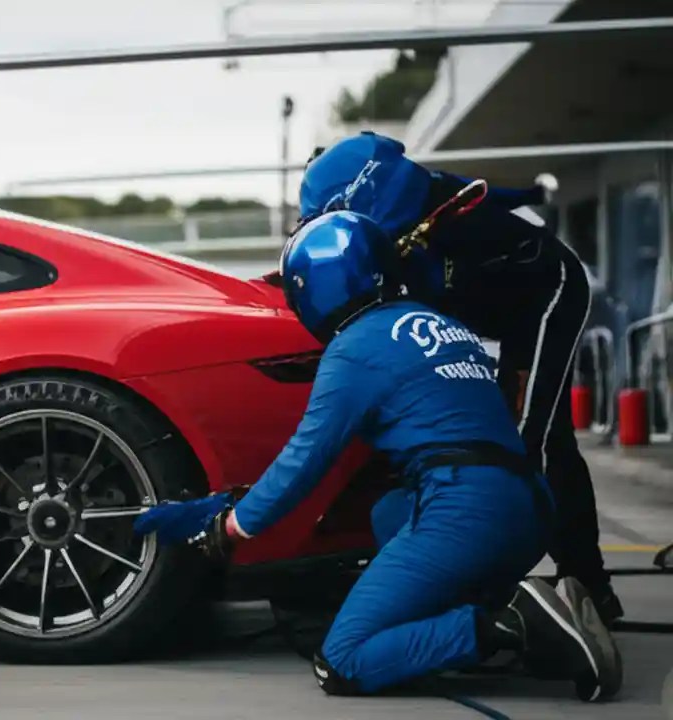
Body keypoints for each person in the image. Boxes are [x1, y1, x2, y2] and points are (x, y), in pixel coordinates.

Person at [135, 211, 621, 700]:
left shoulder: (353, 350)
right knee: (386, 513)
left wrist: (231, 527)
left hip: (466, 512)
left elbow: (303, 462)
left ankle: (511, 626)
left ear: (314, 287)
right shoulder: (438, 324)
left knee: (343, 660)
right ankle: (505, 605)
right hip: (529, 506)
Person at [296, 131, 621, 626]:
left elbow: (493, 195)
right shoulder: (398, 221)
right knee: (483, 437)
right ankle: (468, 574)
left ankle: (586, 587)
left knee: (538, 442)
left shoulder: (447, 207)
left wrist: (533, 196)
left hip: (549, 297)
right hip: (491, 311)